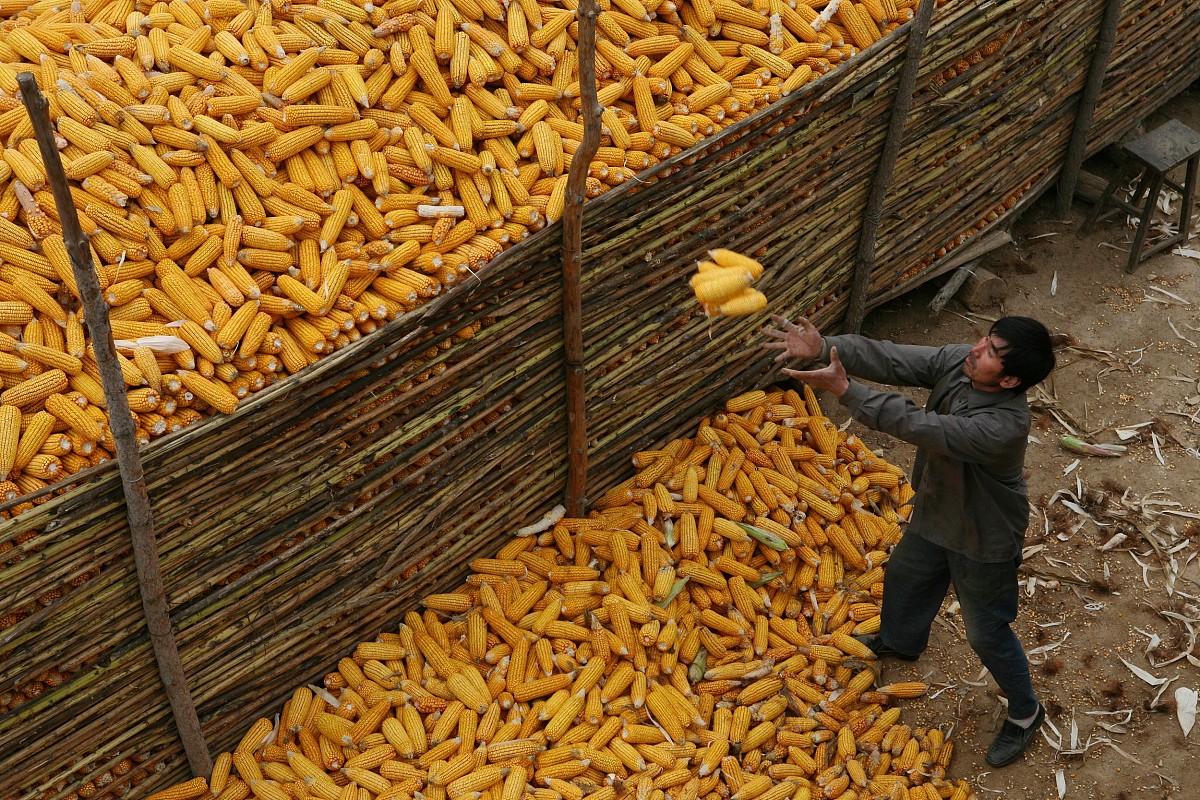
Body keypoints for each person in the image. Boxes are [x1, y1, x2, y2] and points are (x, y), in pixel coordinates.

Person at [761, 314, 1057, 768]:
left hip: (983, 534)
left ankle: (1025, 713)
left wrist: (846, 391)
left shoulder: (1004, 427)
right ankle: (901, 641)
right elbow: (892, 358)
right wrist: (826, 346)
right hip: (938, 508)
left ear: (1011, 379)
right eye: (985, 340)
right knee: (906, 575)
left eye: (992, 352)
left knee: (985, 631)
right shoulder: (963, 364)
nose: (976, 350)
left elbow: (921, 427)